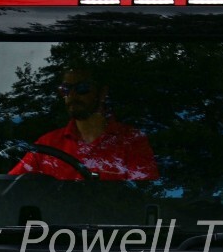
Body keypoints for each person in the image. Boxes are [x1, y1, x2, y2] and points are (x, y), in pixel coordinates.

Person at [10, 66, 158, 180]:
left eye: (82, 88)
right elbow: (9, 188)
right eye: (65, 89)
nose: (72, 96)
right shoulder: (46, 144)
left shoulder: (132, 142)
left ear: (102, 93)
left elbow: (142, 197)